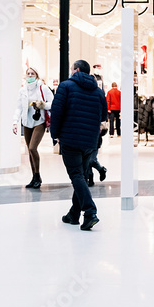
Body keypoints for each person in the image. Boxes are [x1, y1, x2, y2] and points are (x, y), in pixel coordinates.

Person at [50, 59, 105, 230]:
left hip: (70, 139)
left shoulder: (65, 86)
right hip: (90, 141)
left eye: (71, 68)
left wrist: (55, 135)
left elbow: (57, 112)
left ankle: (90, 212)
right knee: (80, 175)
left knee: (76, 176)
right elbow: (103, 116)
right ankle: (73, 214)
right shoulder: (98, 91)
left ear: (77, 70)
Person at [13, 68, 53, 189]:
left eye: (32, 74)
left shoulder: (43, 88)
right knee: (30, 151)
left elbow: (53, 103)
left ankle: (37, 175)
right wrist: (15, 122)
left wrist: (42, 105)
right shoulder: (22, 90)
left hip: (39, 121)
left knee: (32, 147)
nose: (30, 76)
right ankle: (34, 177)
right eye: (28, 74)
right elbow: (18, 107)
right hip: (27, 123)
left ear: (36, 75)